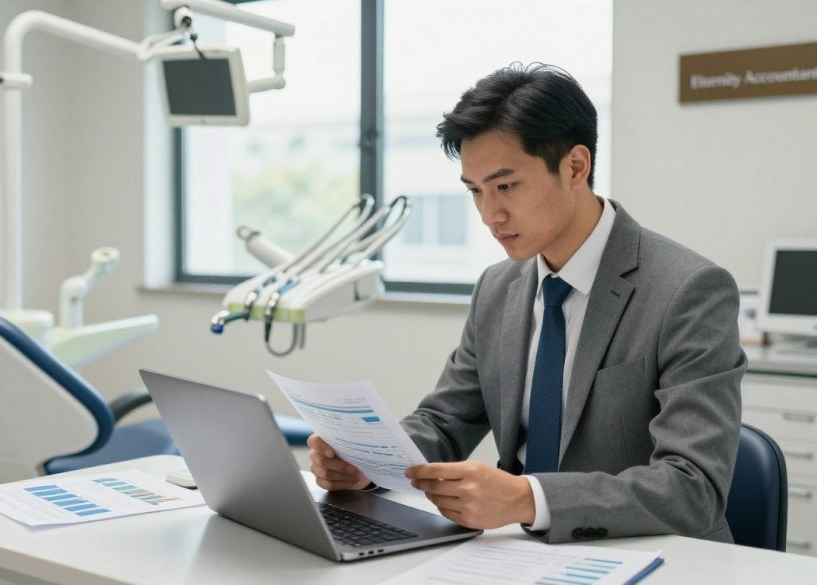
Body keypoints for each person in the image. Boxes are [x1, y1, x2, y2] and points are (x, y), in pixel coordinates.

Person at [308, 62, 745, 544]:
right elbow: (445, 421)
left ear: (576, 167)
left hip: (653, 554)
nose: (490, 215)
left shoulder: (689, 290)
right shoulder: (498, 287)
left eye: (506, 186)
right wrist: (366, 463)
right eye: (475, 191)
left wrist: (525, 499)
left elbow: (693, 487)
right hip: (517, 554)